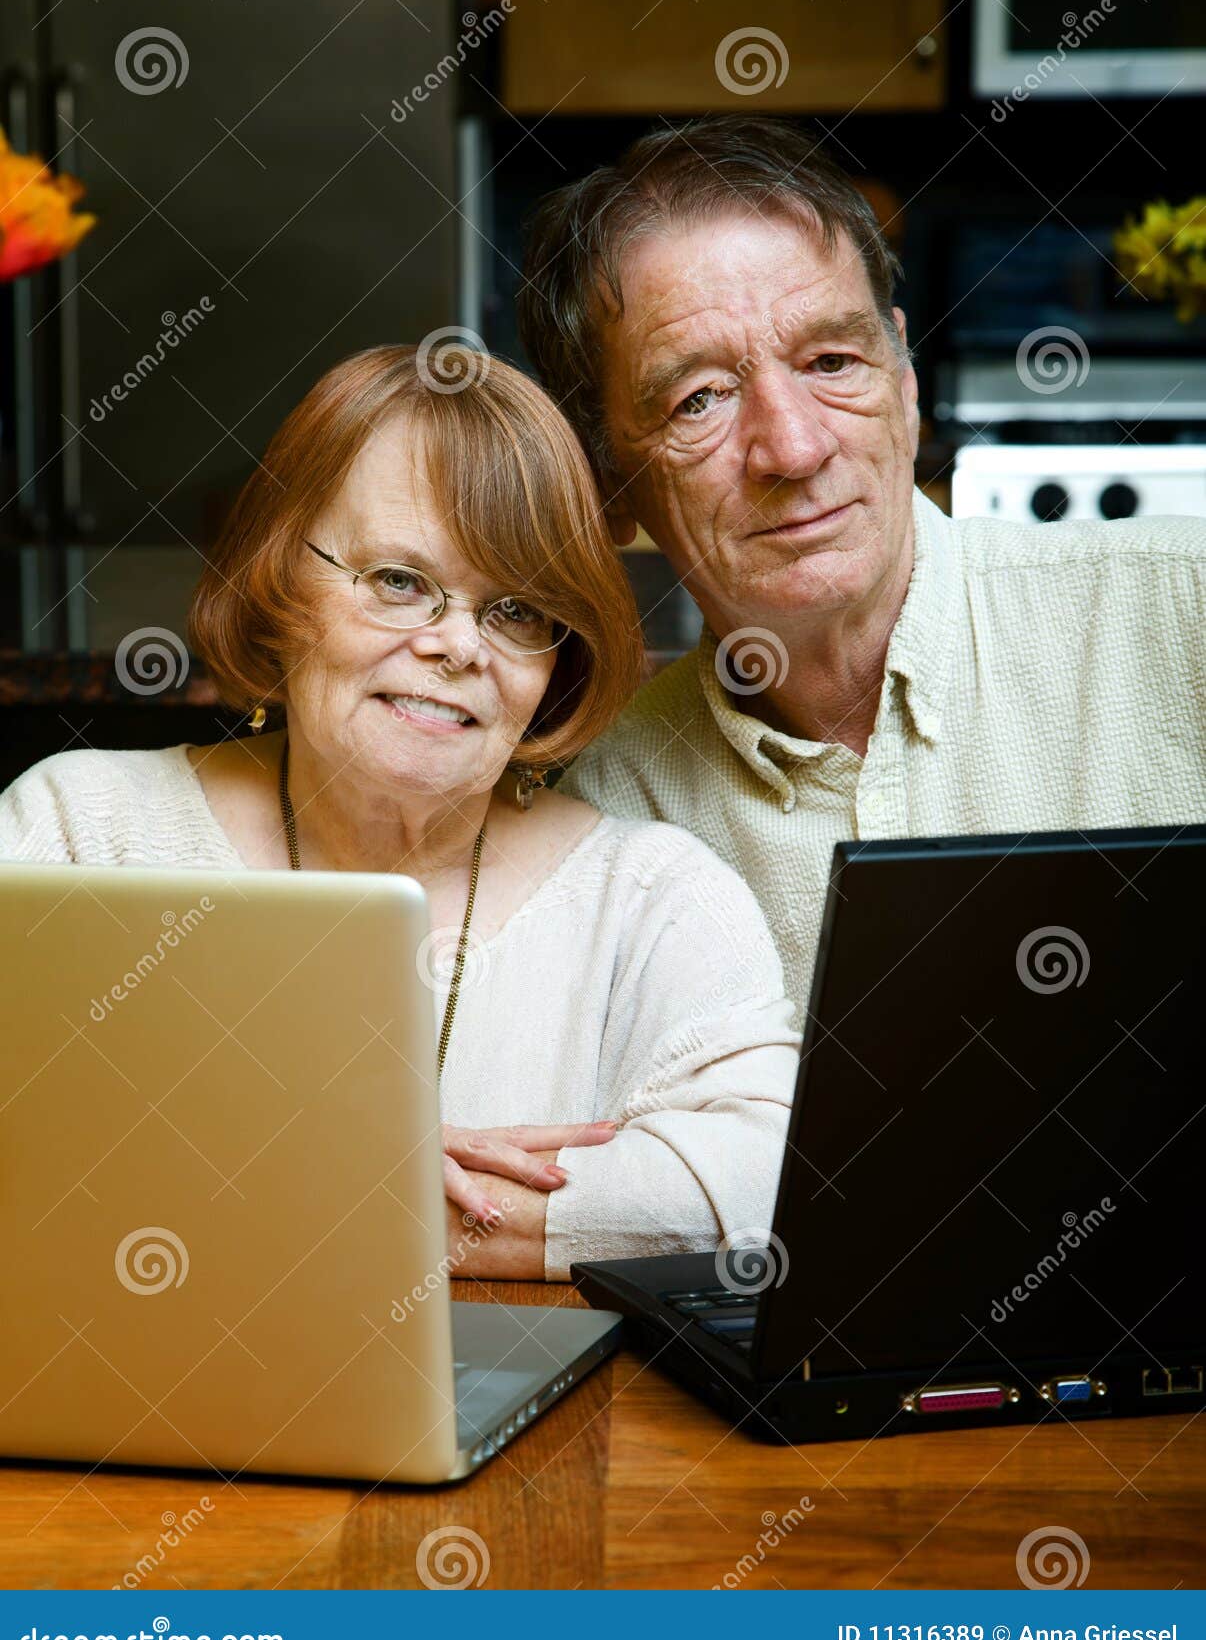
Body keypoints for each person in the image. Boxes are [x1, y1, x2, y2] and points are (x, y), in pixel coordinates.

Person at [0, 345, 800, 1281]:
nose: (458, 645)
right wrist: (353, 1176)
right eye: (399, 581)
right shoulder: (80, 830)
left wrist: (386, 1205)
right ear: (278, 579)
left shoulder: (652, 895)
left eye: (516, 609)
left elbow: (772, 1182)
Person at [517, 116, 1206, 1009]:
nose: (795, 448)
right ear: (607, 481)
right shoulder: (601, 817)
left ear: (904, 379)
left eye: (832, 361)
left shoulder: (1186, 611)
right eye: (700, 399)